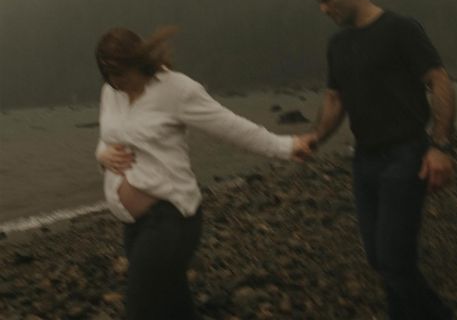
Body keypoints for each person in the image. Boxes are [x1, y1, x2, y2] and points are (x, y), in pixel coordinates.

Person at [95, 26, 315, 320]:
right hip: (133, 224)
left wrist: (286, 146)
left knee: (141, 310)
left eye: (119, 74)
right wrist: (100, 154)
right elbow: (109, 136)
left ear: (139, 61)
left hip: (170, 220)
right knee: (174, 307)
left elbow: (230, 127)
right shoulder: (111, 92)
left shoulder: (176, 90)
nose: (114, 83)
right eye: (107, 75)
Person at [311, 0, 455, 320]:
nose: (324, 10)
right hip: (365, 160)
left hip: (406, 154)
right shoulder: (338, 44)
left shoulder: (400, 29)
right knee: (380, 259)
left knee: (393, 259)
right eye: (319, 3)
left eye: (327, 0)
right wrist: (312, 139)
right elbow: (334, 100)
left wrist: (440, 147)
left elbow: (438, 82)